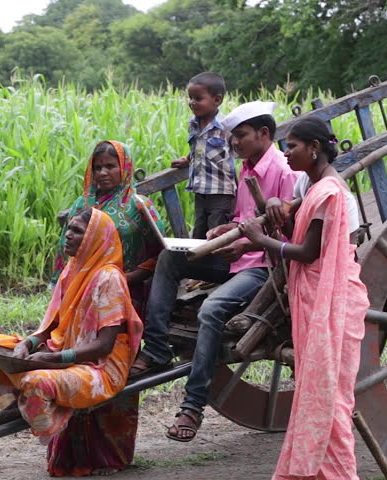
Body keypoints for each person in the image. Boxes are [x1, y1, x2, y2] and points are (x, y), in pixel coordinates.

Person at [131, 101, 298, 442]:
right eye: (232, 136)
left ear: (263, 134)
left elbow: (290, 236)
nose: (234, 143)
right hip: (239, 258)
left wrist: (247, 244)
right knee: (170, 259)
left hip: (266, 267)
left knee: (211, 309)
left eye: (241, 136)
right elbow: (244, 220)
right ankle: (157, 347)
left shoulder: (285, 172)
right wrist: (225, 232)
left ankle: (193, 406)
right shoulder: (248, 169)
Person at [238, 116, 368, 480]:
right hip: (315, 297)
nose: (285, 152)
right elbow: (292, 216)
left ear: (314, 148)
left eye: (292, 145)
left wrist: (260, 240)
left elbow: (309, 252)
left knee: (331, 396)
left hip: (335, 300)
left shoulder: (330, 193)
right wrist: (274, 209)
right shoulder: (308, 184)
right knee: (318, 390)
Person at [0, 208, 144, 476]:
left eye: (77, 230)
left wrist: (54, 359)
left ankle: (48, 414)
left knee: (35, 382)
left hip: (99, 367)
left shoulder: (109, 277)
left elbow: (103, 347)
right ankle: (25, 404)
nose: (67, 235)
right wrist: (29, 345)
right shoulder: (72, 269)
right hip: (63, 351)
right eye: (68, 228)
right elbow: (50, 327)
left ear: (94, 237)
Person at [52, 141, 163, 315]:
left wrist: (123, 280)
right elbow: (63, 247)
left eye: (110, 166)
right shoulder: (82, 204)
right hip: (80, 286)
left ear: (125, 168)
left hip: (125, 287)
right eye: (97, 168)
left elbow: (159, 253)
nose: (102, 173)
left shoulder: (139, 205)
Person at [171, 72, 235, 239]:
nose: (192, 102)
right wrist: (187, 160)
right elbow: (198, 147)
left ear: (217, 100)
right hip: (201, 189)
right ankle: (200, 264)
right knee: (200, 229)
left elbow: (239, 151)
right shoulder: (193, 123)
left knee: (217, 231)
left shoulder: (226, 127)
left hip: (221, 191)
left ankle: (219, 264)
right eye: (190, 98)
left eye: (198, 98)